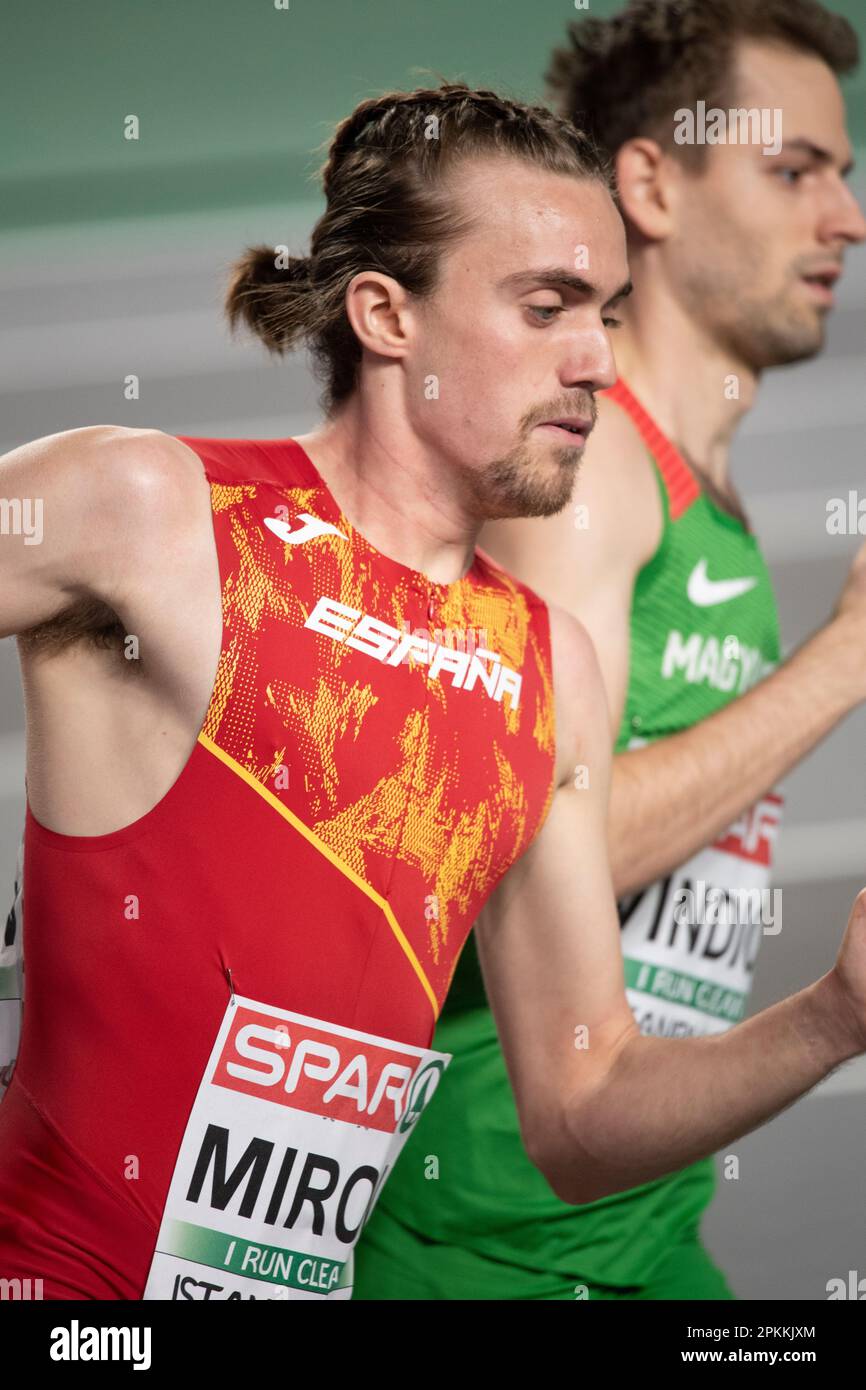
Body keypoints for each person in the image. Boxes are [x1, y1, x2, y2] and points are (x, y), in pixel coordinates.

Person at [0, 80, 864, 1305]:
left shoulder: (543, 663)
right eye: (547, 307)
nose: (597, 363)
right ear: (384, 315)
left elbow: (580, 1111)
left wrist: (832, 1014)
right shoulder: (150, 513)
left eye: (608, 314)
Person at [353, 0, 866, 1302]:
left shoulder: (689, 482)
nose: (843, 218)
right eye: (793, 170)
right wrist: (847, 656)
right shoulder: (591, 474)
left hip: (631, 1224)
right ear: (649, 180)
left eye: (844, 176)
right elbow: (539, 849)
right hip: (493, 1242)